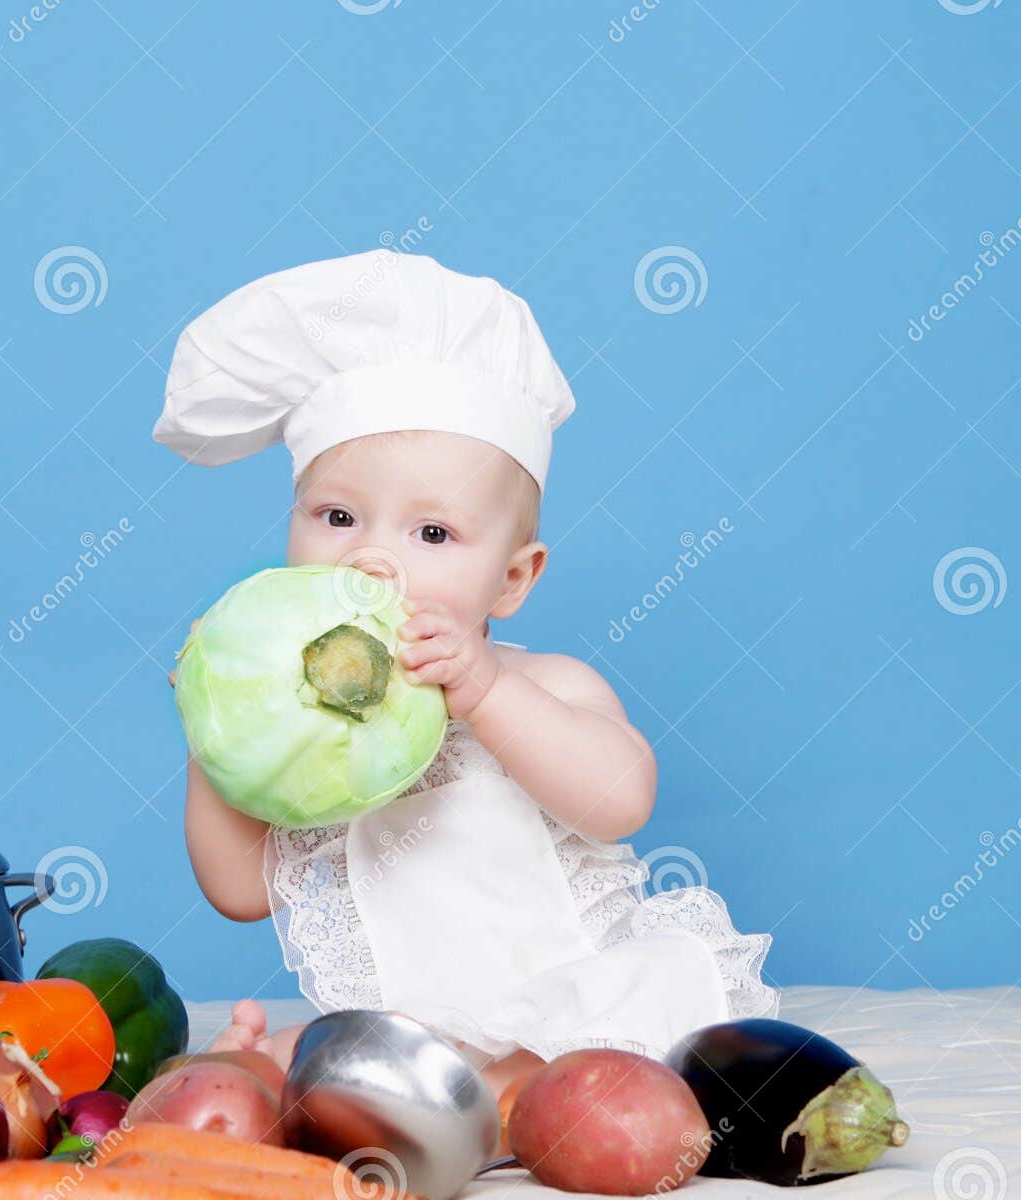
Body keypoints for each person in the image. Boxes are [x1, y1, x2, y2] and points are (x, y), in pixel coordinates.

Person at [153, 249, 780, 1103]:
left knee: (656, 987)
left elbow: (621, 800)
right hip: (412, 1024)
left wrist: (486, 690)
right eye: (337, 516)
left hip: (569, 993)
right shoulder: (311, 727)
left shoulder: (547, 684)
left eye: (434, 535)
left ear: (514, 579)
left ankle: (514, 1089)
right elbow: (236, 892)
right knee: (311, 1057)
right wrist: (214, 719)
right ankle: (332, 1080)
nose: (372, 558)